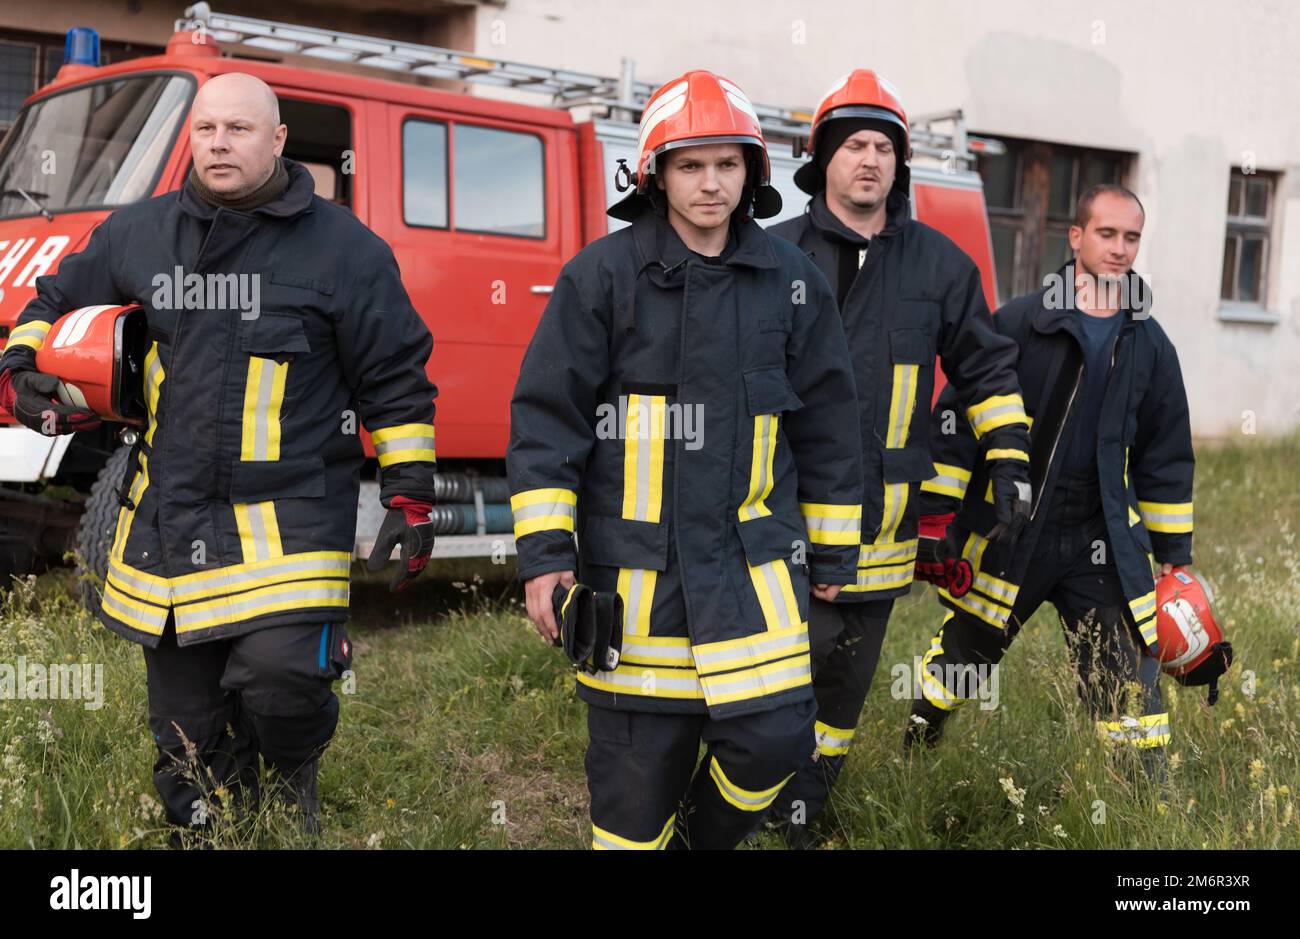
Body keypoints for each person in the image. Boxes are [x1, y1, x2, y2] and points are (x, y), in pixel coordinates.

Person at [0, 73, 439, 838]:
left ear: (277, 141)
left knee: (280, 681)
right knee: (184, 728)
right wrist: (22, 369)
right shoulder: (137, 232)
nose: (219, 143)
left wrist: (409, 496)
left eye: (239, 129)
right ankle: (206, 825)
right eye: (205, 129)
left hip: (290, 520)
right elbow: (50, 301)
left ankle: (287, 772)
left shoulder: (347, 251)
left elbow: (395, 380)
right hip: (169, 518)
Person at [507, 70, 863, 849]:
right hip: (634, 581)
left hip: (753, 575)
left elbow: (832, 426)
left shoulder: (793, 284)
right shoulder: (600, 277)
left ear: (753, 173)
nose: (711, 183)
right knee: (632, 808)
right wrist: (543, 556)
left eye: (728, 164)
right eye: (691, 164)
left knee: (775, 744)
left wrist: (835, 548)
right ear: (656, 173)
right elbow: (547, 420)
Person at [766, 70, 1031, 846]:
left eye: (884, 146)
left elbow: (987, 369)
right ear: (824, 159)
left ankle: (802, 817)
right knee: (773, 678)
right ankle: (726, 807)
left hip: (881, 534)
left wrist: (1010, 458)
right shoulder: (773, 257)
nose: (870, 160)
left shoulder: (941, 268)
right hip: (777, 523)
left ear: (899, 164)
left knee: (843, 690)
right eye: (854, 145)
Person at [905, 184, 1193, 776]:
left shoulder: (1149, 342)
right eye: (1107, 234)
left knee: (1121, 670)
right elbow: (957, 426)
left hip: (1100, 535)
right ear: (1077, 237)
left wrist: (1173, 556)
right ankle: (917, 742)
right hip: (1015, 528)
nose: (1119, 249)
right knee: (971, 647)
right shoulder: (1018, 321)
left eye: (1131, 237)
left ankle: (1145, 797)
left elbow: (1164, 455)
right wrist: (939, 520)